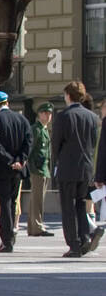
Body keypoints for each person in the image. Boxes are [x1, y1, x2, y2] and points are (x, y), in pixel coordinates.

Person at [54, 81, 100, 257]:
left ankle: (73, 244)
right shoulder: (91, 116)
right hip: (86, 168)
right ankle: (84, 237)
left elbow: (56, 144)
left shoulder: (63, 116)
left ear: (68, 96)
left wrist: (57, 162)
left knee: (67, 207)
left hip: (68, 167)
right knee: (81, 204)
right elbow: (93, 143)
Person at [0, 91, 31, 252]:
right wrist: (19, 160)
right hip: (18, 169)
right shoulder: (22, 119)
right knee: (12, 202)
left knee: (4, 203)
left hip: (2, 169)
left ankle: (7, 240)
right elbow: (28, 142)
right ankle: (10, 235)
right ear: (7, 103)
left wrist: (9, 161)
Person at [27, 102, 55, 237]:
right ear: (39, 114)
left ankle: (33, 227)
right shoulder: (36, 129)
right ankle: (37, 227)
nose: (48, 116)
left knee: (37, 199)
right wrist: (32, 167)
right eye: (45, 113)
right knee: (37, 199)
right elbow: (30, 150)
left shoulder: (43, 129)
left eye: (49, 113)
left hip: (43, 169)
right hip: (37, 169)